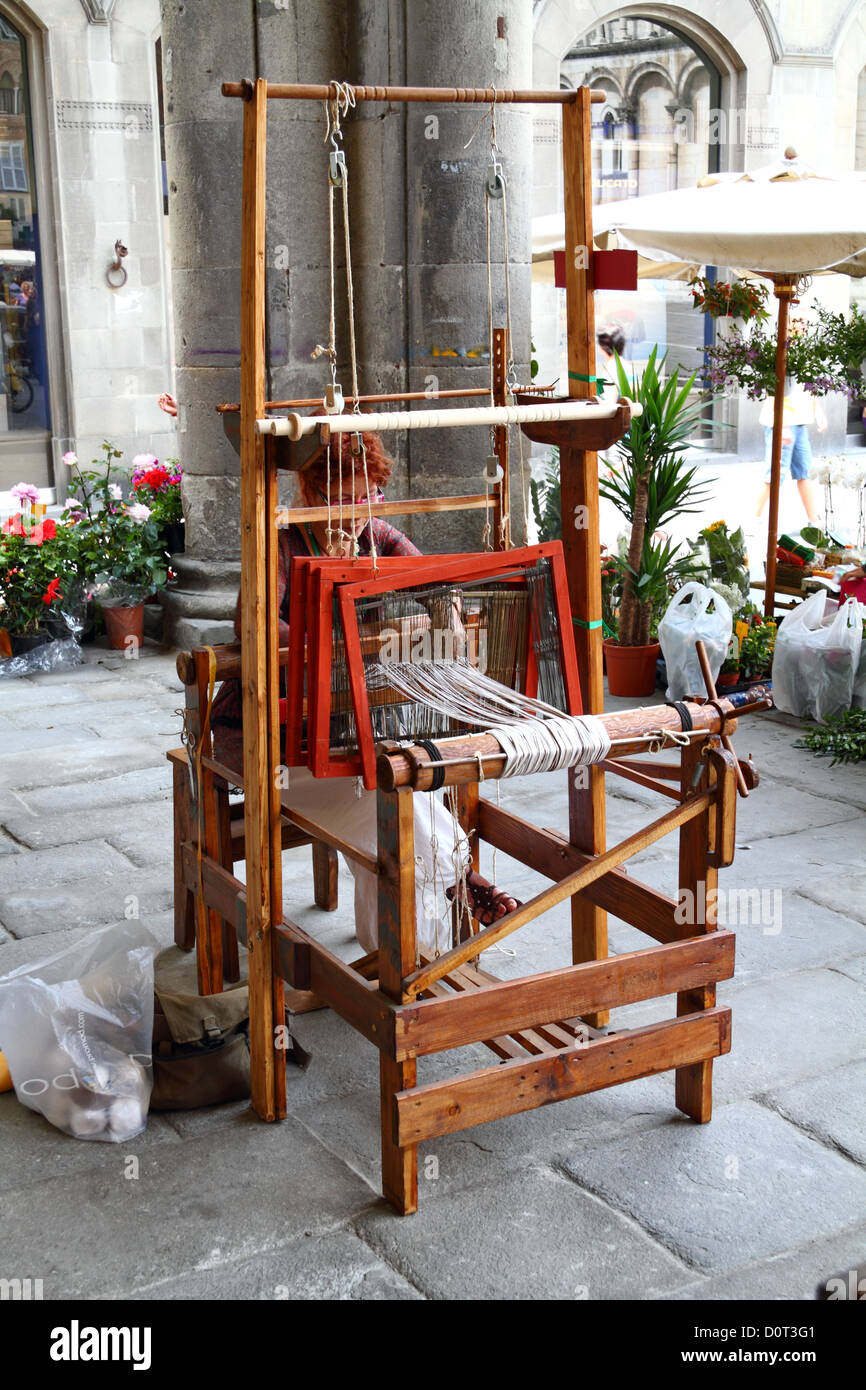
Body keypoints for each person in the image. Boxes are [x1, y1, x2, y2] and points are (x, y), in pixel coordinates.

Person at [211, 429, 519, 956]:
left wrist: (445, 615)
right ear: (310, 495)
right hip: (281, 741)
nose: (359, 511)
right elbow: (253, 626)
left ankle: (405, 951)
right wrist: (340, 645)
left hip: (355, 730)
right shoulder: (279, 544)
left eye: (369, 495)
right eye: (345, 498)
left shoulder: (378, 539)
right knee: (399, 819)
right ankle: (426, 934)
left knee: (400, 800)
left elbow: (434, 578)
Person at [754, 382, 824, 528]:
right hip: (782, 422)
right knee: (775, 473)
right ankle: (754, 517)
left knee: (805, 472)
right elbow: (773, 389)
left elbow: (810, 385)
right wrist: (782, 425)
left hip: (799, 422)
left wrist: (818, 412)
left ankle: (814, 520)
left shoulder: (806, 361)